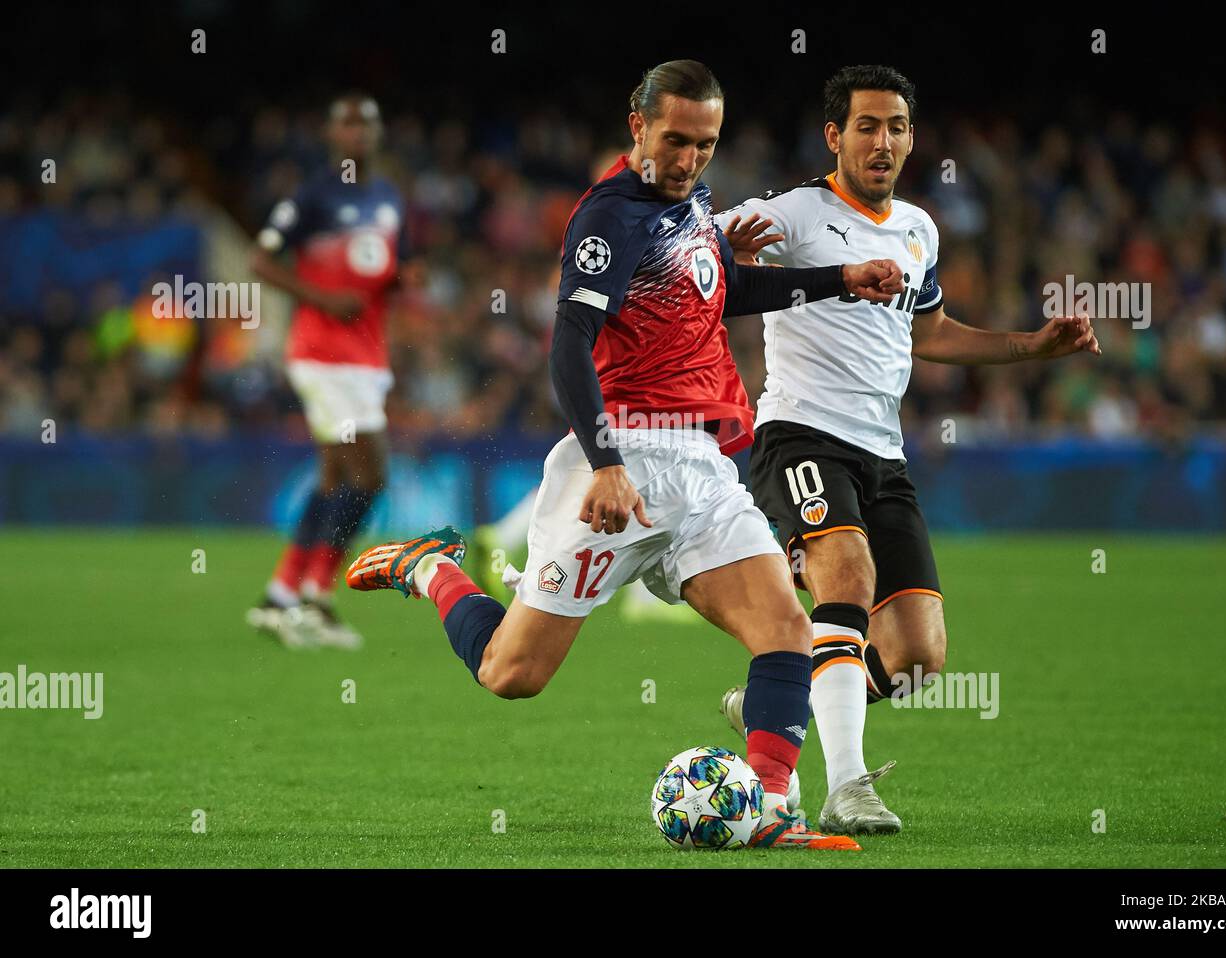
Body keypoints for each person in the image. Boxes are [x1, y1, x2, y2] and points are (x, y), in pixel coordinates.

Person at [346, 60, 904, 849]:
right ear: (637, 125)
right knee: (513, 674)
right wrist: (605, 462)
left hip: (703, 470)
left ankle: (773, 812)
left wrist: (841, 277)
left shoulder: (691, 200)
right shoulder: (609, 217)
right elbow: (569, 343)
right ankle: (431, 569)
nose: (688, 160)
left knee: (786, 632)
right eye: (674, 140)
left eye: (705, 144)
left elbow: (724, 292)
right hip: (621, 463)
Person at [715, 64, 1100, 835]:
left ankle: (780, 693)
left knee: (921, 655)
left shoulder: (919, 229)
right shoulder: (792, 214)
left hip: (881, 456)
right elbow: (695, 250)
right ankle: (846, 786)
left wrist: (1031, 346)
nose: (883, 141)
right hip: (799, 434)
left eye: (896, 126)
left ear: (912, 138)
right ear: (835, 136)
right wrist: (720, 237)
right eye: (866, 125)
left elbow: (929, 333)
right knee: (846, 577)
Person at [245, 93, 413, 649]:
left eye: (366, 122)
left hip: (366, 356)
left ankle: (284, 596)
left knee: (337, 478)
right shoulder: (312, 195)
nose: (358, 132)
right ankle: (313, 594)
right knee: (370, 474)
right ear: (330, 133)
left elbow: (390, 267)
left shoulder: (388, 198)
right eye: (347, 123)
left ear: (377, 132)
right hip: (322, 354)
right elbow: (260, 259)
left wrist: (400, 282)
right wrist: (321, 296)